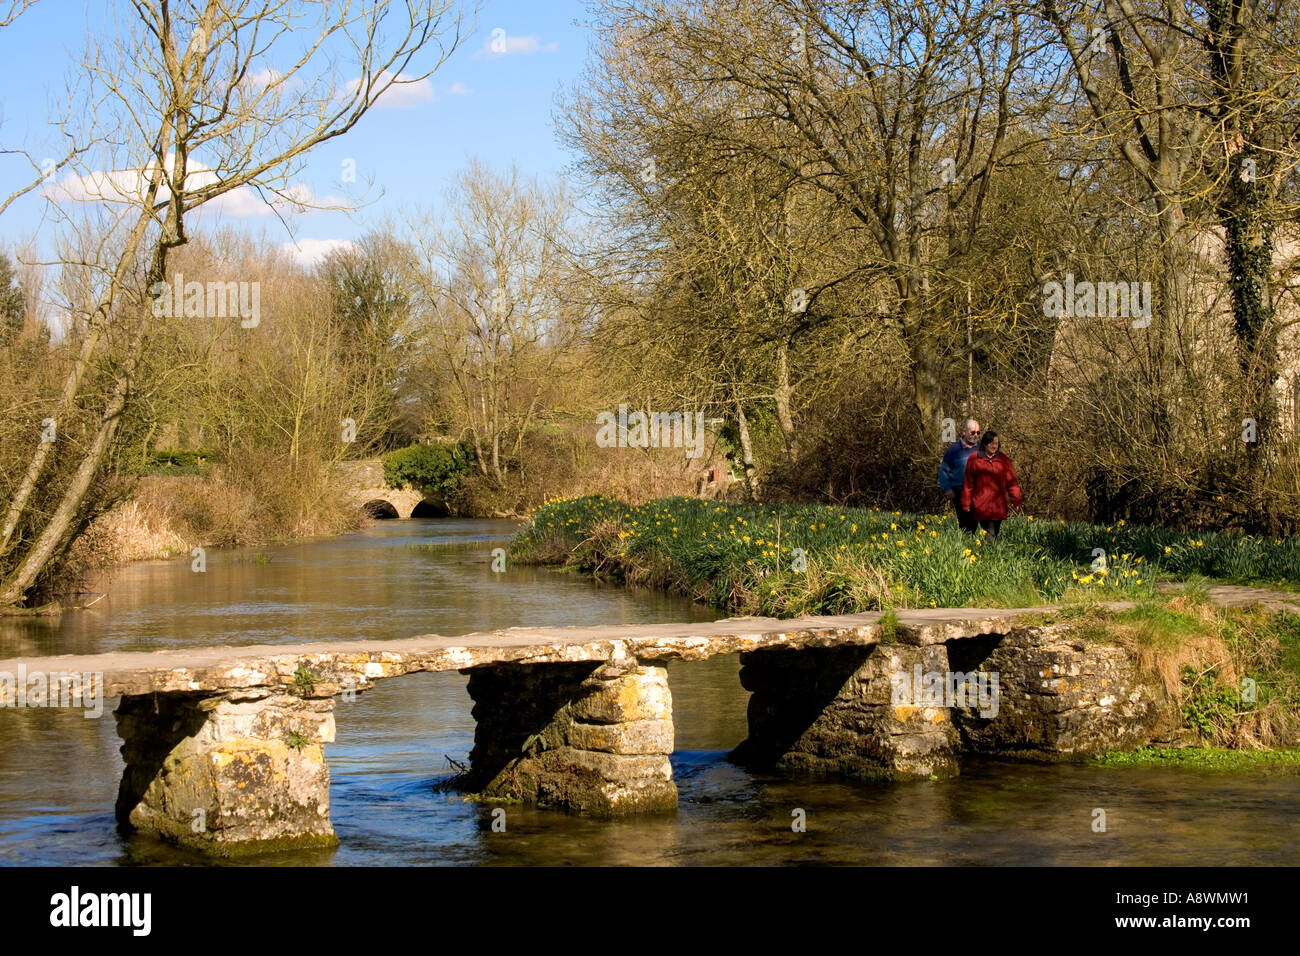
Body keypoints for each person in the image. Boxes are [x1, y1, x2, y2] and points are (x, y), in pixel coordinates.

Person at [960, 430, 1022, 540]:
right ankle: (985, 554)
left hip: (998, 506)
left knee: (993, 534)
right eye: (992, 443)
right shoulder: (974, 459)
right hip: (981, 505)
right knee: (989, 535)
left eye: (996, 443)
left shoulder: (1004, 460)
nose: (994, 446)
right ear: (985, 444)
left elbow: (1012, 482)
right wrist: (966, 503)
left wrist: (1016, 500)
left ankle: (987, 555)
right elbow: (968, 483)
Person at [939, 419, 981, 534]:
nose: (976, 435)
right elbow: (943, 470)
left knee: (975, 520)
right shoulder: (954, 449)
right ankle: (966, 544)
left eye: (978, 432)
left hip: (978, 491)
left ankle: (972, 542)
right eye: (973, 432)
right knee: (965, 522)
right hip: (959, 490)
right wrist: (947, 488)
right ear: (964, 432)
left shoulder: (982, 448)